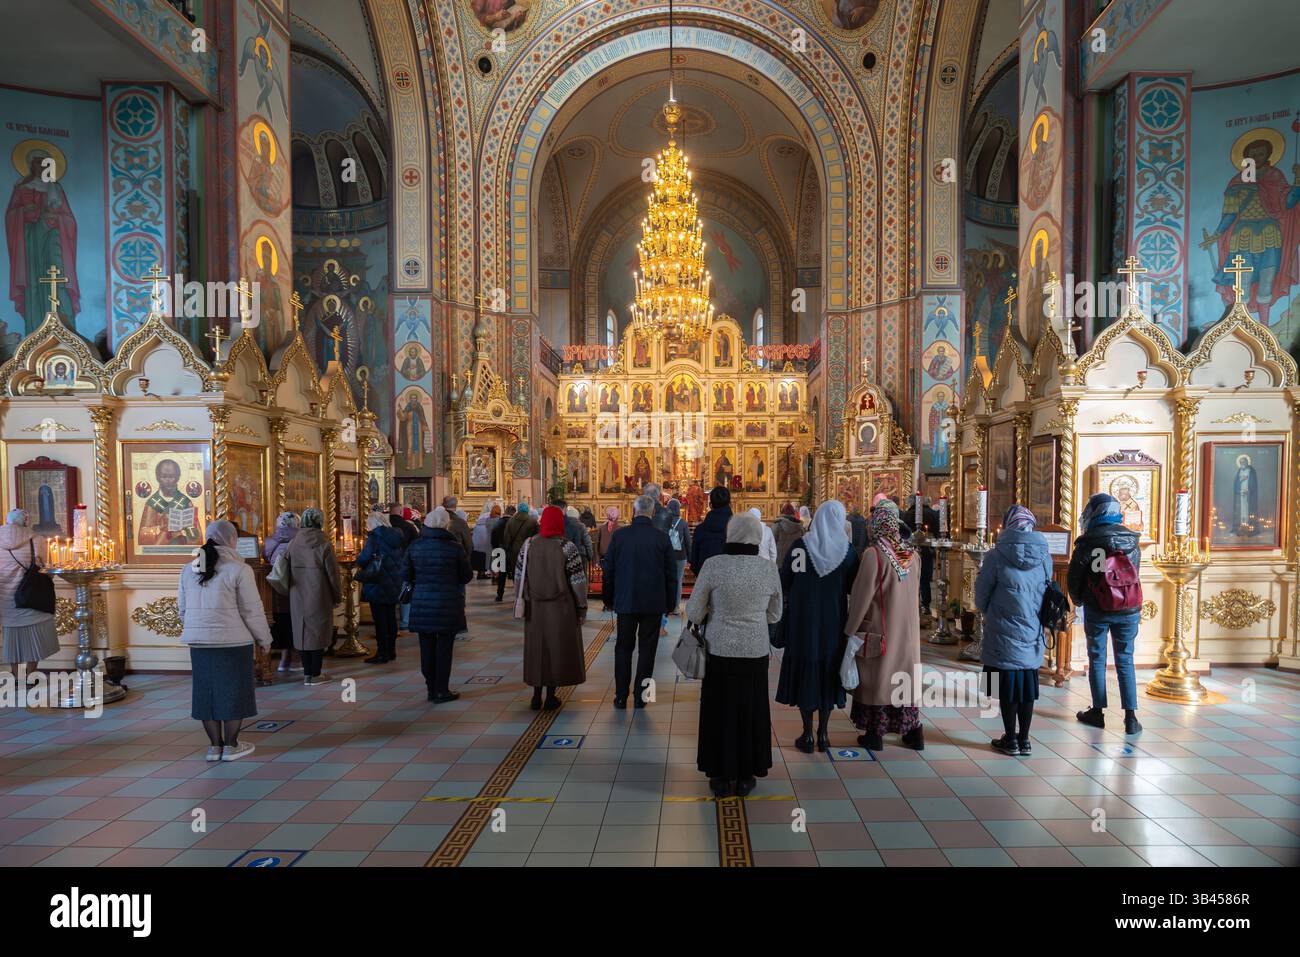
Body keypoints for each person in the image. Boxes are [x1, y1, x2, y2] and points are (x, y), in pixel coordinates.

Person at [686, 512, 782, 797]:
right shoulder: (768, 569)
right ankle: (745, 775)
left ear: (730, 534)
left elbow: (693, 611)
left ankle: (718, 774)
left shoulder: (714, 565)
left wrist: (716, 612)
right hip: (754, 650)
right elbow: (775, 615)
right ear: (758, 536)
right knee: (751, 709)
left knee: (719, 710)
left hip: (719, 649)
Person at [177, 520, 272, 761]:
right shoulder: (239, 569)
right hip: (233, 643)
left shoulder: (189, 568)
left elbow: (183, 609)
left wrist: (198, 629)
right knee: (233, 692)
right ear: (232, 539)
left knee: (205, 693)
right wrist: (264, 638)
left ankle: (213, 747)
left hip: (199, 644)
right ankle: (231, 745)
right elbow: (252, 610)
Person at [775, 500, 860, 753]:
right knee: (827, 670)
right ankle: (823, 734)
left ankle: (806, 734)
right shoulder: (847, 552)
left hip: (802, 621)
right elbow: (852, 587)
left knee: (805, 668)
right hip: (833, 621)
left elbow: (785, 580)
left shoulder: (801, 546)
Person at [844, 502, 925, 751]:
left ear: (875, 526)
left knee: (879, 682)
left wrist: (850, 630)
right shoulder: (912, 556)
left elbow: (861, 597)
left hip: (882, 631)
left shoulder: (874, 555)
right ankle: (914, 732)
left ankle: (875, 734)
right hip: (908, 636)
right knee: (903, 683)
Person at [977, 505, 1052, 755]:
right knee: (1026, 686)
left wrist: (991, 612)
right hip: (1032, 631)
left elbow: (981, 595)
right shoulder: (1044, 555)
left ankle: (1010, 739)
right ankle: (1025, 739)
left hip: (1003, 630)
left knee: (1006, 685)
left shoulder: (996, 555)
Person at [1068, 493, 1143, 734]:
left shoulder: (1088, 542)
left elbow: (1075, 578)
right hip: (1128, 608)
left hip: (1098, 608)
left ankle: (1097, 712)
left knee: (1097, 659)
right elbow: (1131, 575)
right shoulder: (1131, 540)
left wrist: (1079, 600)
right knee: (1125, 659)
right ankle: (1130, 719)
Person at [601, 494, 676, 709]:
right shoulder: (661, 538)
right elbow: (671, 575)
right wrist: (670, 603)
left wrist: (609, 598)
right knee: (648, 649)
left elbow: (609, 570)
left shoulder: (620, 536)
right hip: (653, 603)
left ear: (634, 511)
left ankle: (621, 696)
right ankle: (642, 697)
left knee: (623, 648)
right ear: (652, 512)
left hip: (625, 601)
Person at [515, 505, 588, 711]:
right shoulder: (567, 547)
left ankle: (535, 696)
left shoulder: (528, 545)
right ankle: (550, 697)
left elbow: (519, 575)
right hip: (561, 608)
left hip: (534, 607)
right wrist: (582, 606)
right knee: (556, 649)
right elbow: (578, 581)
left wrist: (520, 599)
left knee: (537, 649)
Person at [407, 507, 473, 702]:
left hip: (422, 602)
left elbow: (405, 574)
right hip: (447, 603)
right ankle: (441, 690)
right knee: (444, 648)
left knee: (426, 647)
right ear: (446, 524)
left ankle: (430, 688)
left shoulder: (415, 546)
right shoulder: (454, 547)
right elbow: (467, 575)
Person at [0, 509, 57, 682]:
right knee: (34, 637)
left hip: (5, 600)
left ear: (8, 521)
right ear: (25, 522)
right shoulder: (36, 540)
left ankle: (16, 675)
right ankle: (32, 675)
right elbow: (46, 568)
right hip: (31, 596)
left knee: (11, 639)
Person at [286, 508, 341, 686]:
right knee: (317, 632)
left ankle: (307, 674)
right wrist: (337, 595)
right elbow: (333, 573)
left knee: (301, 632)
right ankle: (316, 674)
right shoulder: (324, 543)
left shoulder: (293, 542)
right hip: (319, 592)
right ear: (320, 522)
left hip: (296, 593)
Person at [357, 512, 406, 664]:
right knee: (391, 617)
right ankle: (391, 650)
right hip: (393, 582)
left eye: (368, 523)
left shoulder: (375, 538)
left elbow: (363, 558)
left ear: (373, 523)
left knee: (380, 620)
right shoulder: (396, 536)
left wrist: (360, 558)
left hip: (377, 583)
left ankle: (382, 652)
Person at [262, 511, 299, 674]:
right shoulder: (298, 541)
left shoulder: (270, 541)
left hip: (275, 589)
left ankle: (282, 661)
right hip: (293, 587)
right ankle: (293, 659)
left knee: (281, 623)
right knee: (293, 624)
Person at [499, 502, 539, 602]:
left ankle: (518, 593)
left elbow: (506, 537)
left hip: (514, 551)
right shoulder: (533, 521)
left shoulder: (511, 521)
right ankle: (528, 594)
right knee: (528, 572)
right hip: (528, 550)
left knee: (517, 572)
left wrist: (508, 547)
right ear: (527, 510)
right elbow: (537, 537)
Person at [689, 486, 733, 575]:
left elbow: (694, 563)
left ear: (710, 505)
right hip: (730, 582)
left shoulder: (700, 530)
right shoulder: (737, 528)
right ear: (730, 504)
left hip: (706, 580)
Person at [666, 498, 692, 613]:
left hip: (666, 555)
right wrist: (690, 557)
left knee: (667, 580)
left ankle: (667, 605)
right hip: (680, 555)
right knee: (678, 580)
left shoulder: (664, 521)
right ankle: (676, 607)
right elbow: (687, 541)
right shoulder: (682, 522)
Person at [490, 504, 514, 599]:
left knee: (501, 575)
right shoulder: (513, 523)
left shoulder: (497, 522)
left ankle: (499, 594)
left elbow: (493, 538)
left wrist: (495, 549)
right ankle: (517, 595)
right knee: (514, 572)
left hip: (499, 550)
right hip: (511, 551)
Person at [471, 505, 498, 579]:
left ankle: (481, 573)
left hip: (476, 548)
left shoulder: (478, 525)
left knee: (480, 558)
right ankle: (493, 574)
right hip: (485, 548)